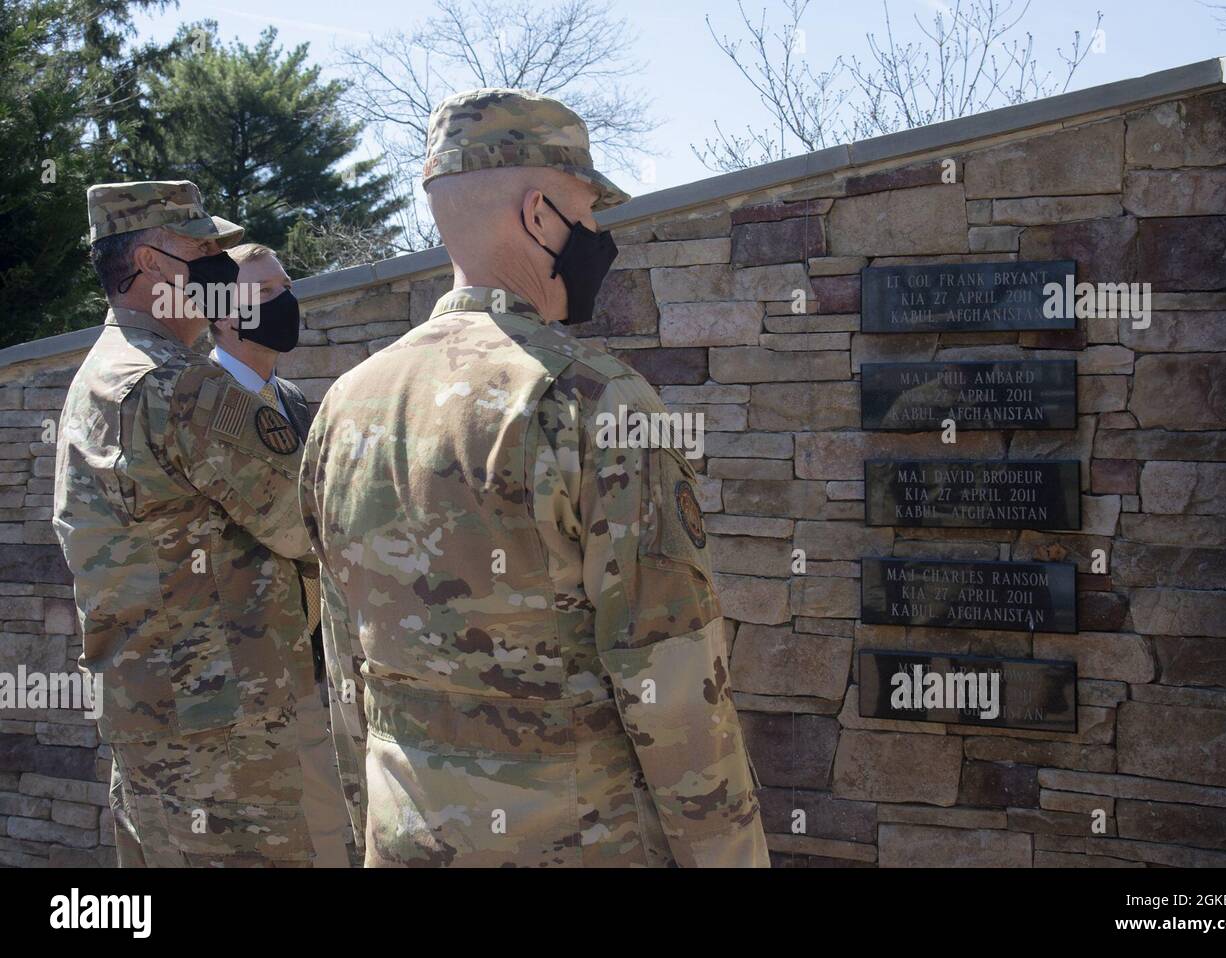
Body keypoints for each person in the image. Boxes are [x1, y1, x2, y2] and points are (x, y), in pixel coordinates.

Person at [300, 89, 770, 867]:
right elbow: (675, 686)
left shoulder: (347, 406)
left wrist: (368, 825)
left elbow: (349, 669)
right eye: (587, 213)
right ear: (540, 214)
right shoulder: (595, 400)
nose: (596, 237)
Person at [52, 180, 330, 867]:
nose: (218, 264)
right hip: (222, 735)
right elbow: (310, 523)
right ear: (149, 264)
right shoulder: (173, 384)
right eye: (202, 249)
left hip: (155, 719)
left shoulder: (101, 374)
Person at [203, 241, 354, 867]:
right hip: (238, 680)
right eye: (263, 294)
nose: (284, 302)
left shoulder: (291, 400)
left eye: (285, 286)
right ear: (219, 313)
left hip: (312, 667)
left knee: (328, 835)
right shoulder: (200, 403)